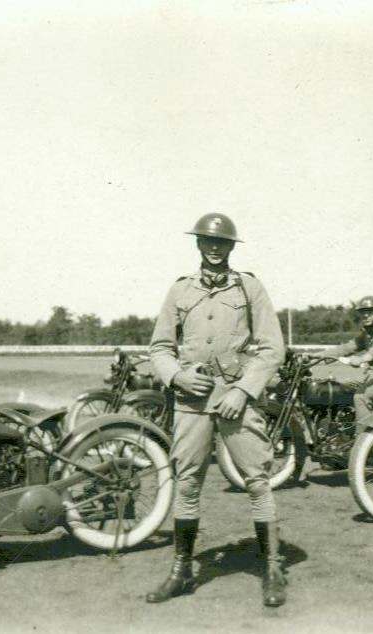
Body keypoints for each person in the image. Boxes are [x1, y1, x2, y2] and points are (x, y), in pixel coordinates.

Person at [145, 213, 287, 607]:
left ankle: (273, 568)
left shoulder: (249, 288)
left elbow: (273, 346)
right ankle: (182, 570)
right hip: (192, 401)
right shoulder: (180, 291)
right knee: (187, 481)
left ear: (231, 247)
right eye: (207, 241)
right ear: (197, 245)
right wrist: (177, 378)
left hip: (235, 400)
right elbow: (159, 347)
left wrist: (243, 390)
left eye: (221, 243)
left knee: (257, 479)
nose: (213, 248)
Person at [312, 296, 373, 428]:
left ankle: (362, 441)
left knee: (361, 396)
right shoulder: (368, 333)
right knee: (341, 389)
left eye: (370, 311)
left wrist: (362, 358)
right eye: (363, 312)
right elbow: (346, 348)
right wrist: (314, 356)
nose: (365, 315)